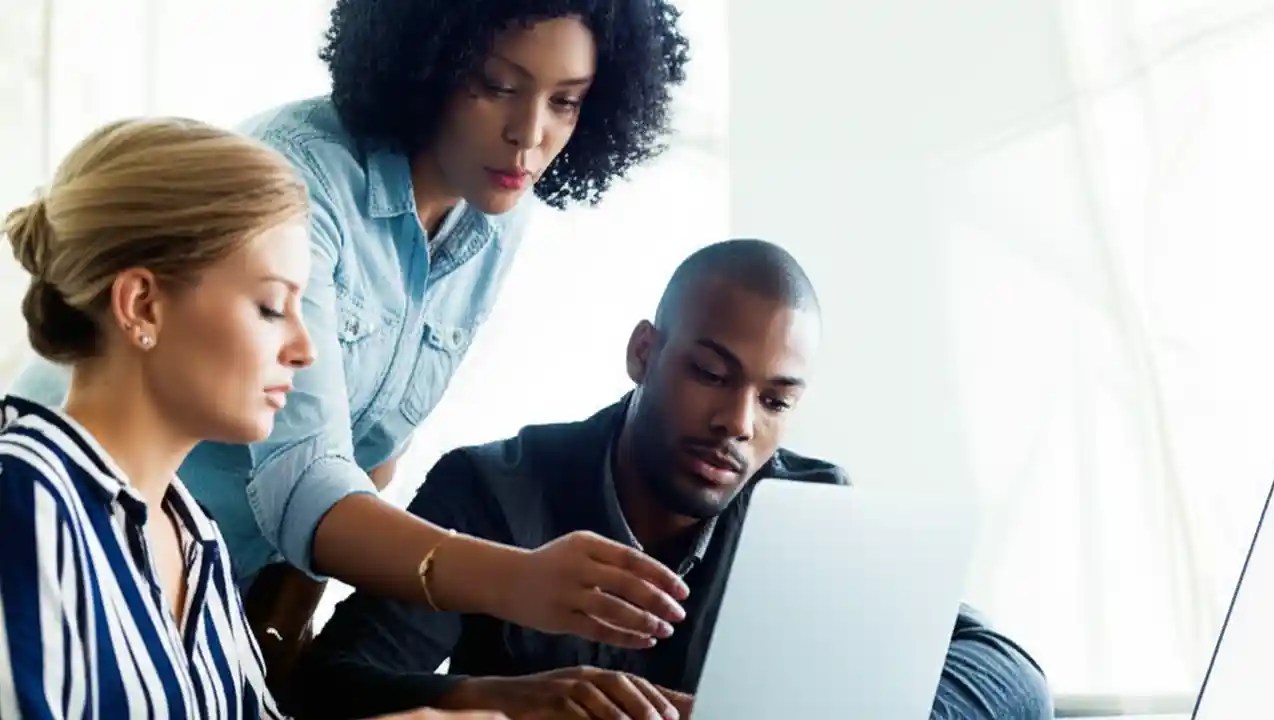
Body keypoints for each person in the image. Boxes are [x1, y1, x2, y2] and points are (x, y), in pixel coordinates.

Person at [6, 0, 696, 686]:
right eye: (496, 86)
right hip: (89, 536)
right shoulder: (301, 181)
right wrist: (515, 580)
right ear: (430, 62)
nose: (530, 135)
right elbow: (307, 477)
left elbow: (369, 454)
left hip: (197, 573)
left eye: (566, 102)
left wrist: (283, 631)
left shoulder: (495, 207)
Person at [286, 239, 1055, 719]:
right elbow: (326, 687)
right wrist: (503, 702)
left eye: (776, 401)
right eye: (711, 374)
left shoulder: (811, 512)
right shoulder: (491, 490)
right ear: (644, 354)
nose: (738, 422)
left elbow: (1013, 677)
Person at [0, 119, 506, 719]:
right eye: (270, 307)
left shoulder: (197, 540)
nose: (305, 349)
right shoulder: (24, 501)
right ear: (142, 304)